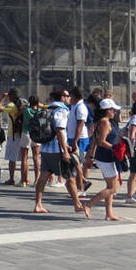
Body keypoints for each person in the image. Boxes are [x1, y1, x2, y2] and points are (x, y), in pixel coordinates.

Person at [34, 88, 89, 218]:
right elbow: (59, 130)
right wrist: (65, 150)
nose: (69, 98)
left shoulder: (48, 109)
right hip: (57, 150)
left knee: (43, 178)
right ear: (63, 98)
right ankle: (77, 205)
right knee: (70, 178)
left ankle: (38, 204)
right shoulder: (62, 110)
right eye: (67, 96)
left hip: (45, 148)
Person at [84, 104, 125, 221]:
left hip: (107, 157)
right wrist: (115, 148)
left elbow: (96, 141)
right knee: (113, 189)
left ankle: (109, 213)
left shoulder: (106, 121)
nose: (114, 112)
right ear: (107, 110)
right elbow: (101, 141)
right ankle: (88, 204)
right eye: (112, 110)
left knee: (110, 187)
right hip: (105, 157)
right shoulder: (105, 122)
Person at [2, 89, 31, 186]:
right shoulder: (25, 103)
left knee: (12, 158)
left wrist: (3, 98)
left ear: (11, 96)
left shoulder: (11, 105)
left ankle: (11, 179)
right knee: (24, 158)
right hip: (23, 132)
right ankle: (25, 179)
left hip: (13, 133)